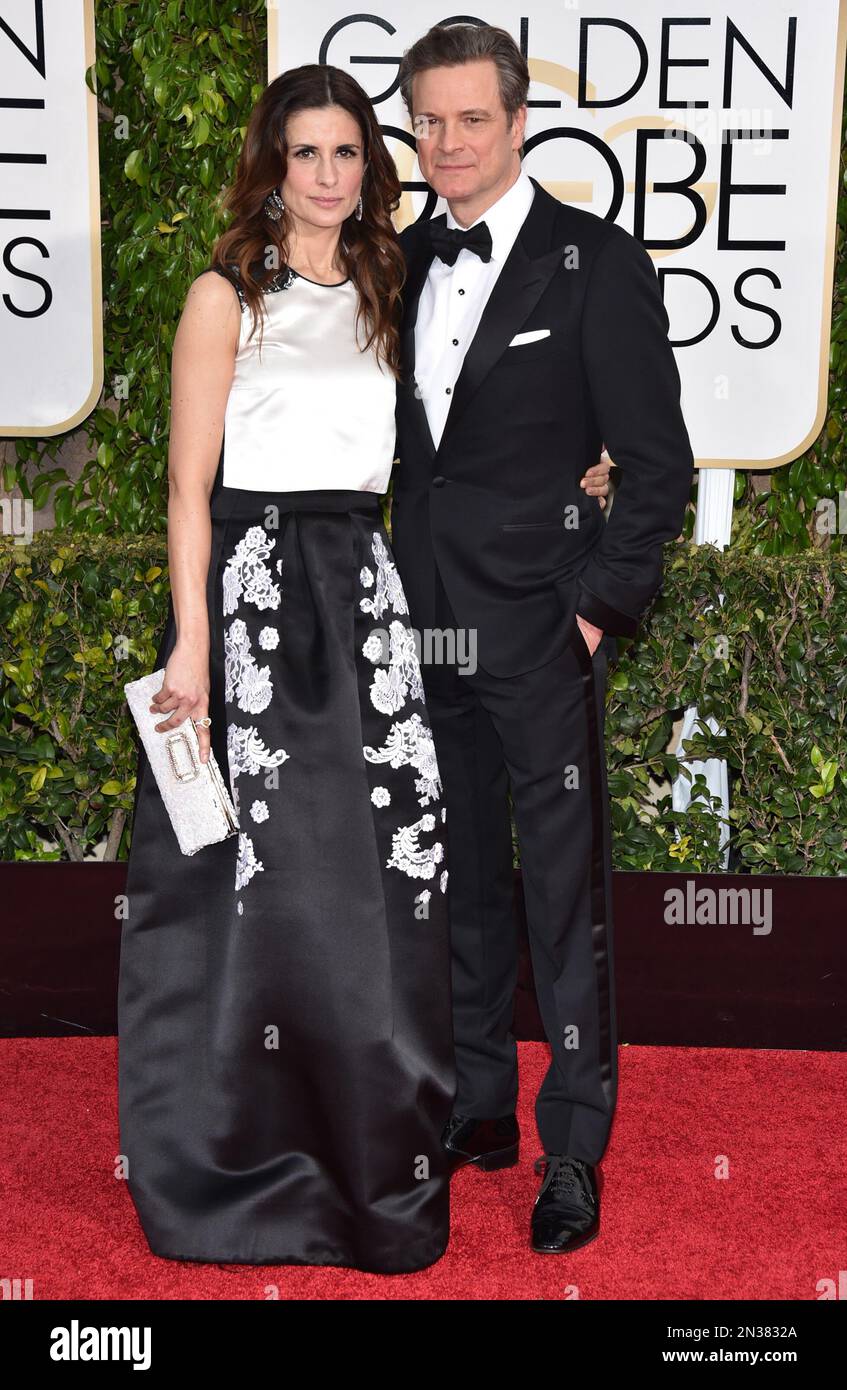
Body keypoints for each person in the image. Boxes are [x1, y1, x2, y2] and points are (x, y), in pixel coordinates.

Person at [117, 58, 614, 1273]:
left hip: (371, 606)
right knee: (250, 885)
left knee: (376, 892)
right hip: (250, 603)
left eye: (347, 153)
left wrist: (581, 481)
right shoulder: (223, 295)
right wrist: (191, 637)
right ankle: (235, 1154)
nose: (329, 176)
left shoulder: (392, 281)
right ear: (271, 166)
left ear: (367, 167)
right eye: (306, 154)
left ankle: (374, 1151)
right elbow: (187, 485)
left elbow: (460, 433)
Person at [390, 23, 695, 1254]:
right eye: (429, 122)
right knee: (458, 872)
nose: (449, 144)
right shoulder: (396, 260)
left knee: (562, 898)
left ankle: (573, 1140)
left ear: (519, 123)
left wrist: (588, 617)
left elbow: (658, 469)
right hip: (425, 628)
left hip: (539, 631)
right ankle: (478, 1102)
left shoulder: (595, 261)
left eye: (471, 119)